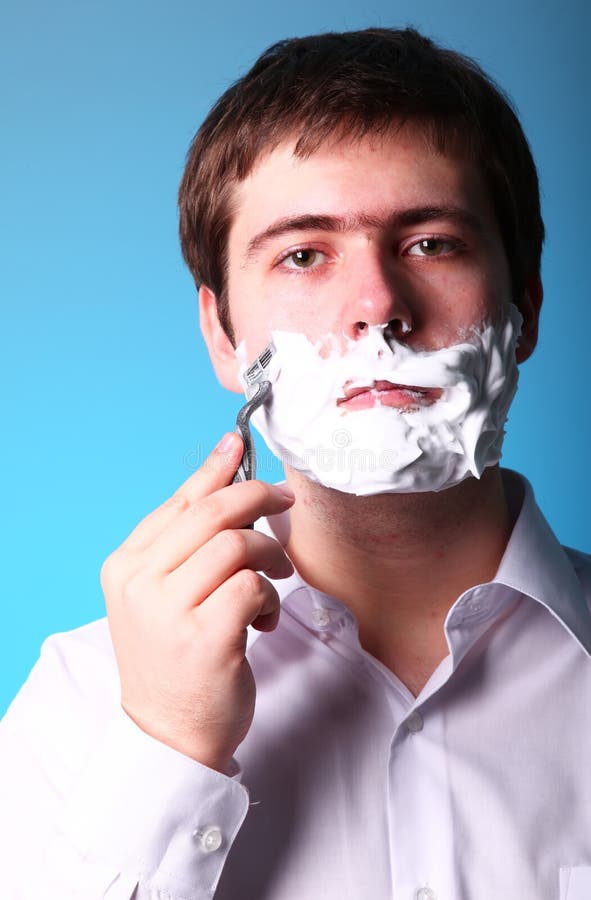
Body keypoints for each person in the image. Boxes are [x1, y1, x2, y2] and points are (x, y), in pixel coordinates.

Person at [1, 26, 590, 900]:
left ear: (526, 307)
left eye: (430, 242)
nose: (378, 308)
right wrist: (164, 743)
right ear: (222, 336)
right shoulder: (86, 704)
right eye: (304, 255)